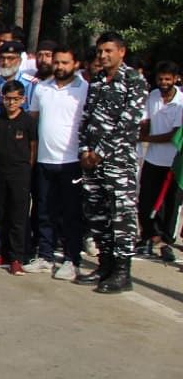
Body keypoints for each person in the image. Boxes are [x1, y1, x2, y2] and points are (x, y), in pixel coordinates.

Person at [75, 32, 149, 293]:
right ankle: (105, 263)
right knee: (97, 215)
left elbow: (128, 124)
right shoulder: (96, 80)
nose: (103, 56)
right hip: (92, 161)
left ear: (122, 52)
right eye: (100, 51)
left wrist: (101, 152)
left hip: (118, 162)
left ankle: (122, 272)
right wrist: (84, 149)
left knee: (121, 216)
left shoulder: (134, 80)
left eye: (108, 51)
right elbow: (87, 118)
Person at [30, 46, 88, 280]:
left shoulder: (84, 89)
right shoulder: (42, 88)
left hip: (71, 161)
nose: (60, 67)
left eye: (65, 62)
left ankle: (72, 259)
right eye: (57, 62)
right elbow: (33, 120)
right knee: (44, 211)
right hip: (44, 160)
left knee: (71, 214)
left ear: (75, 64)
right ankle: (45, 255)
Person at [0, 41, 37, 260]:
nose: (6, 62)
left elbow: (32, 123)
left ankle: (20, 253)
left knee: (19, 210)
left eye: (11, 59)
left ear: (20, 60)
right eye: (2, 58)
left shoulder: (31, 84)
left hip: (20, 154)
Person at [0, 81, 38, 275]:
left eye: (15, 99)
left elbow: (33, 147)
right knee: (2, 213)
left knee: (18, 216)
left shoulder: (27, 122)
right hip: (1, 172)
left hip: (20, 173)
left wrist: (26, 168)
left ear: (23, 99)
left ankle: (17, 257)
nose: (11, 103)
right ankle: (4, 255)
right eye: (7, 99)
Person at [136, 61, 181, 262]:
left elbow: (174, 135)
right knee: (146, 201)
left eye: (168, 79)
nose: (164, 82)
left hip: (174, 163)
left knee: (170, 204)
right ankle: (148, 237)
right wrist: (143, 134)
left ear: (176, 79)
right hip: (152, 159)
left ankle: (165, 243)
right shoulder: (152, 96)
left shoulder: (181, 101)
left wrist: (146, 139)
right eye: (160, 78)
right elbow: (145, 122)